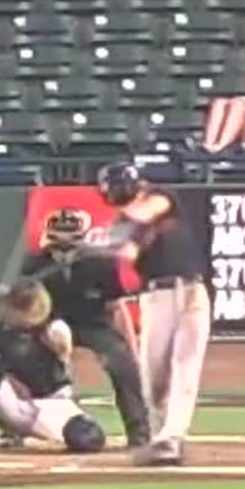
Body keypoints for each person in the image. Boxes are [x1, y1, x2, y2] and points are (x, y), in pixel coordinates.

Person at [87, 162, 209, 468]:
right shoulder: (124, 223)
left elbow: (145, 212)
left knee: (184, 366)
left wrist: (104, 236)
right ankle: (161, 435)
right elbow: (128, 253)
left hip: (191, 291)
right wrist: (94, 248)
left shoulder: (160, 195)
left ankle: (172, 438)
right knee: (153, 375)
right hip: (156, 296)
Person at [16, 209, 151, 447]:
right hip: (50, 324)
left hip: (94, 323)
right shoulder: (34, 264)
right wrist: (42, 334)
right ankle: (17, 427)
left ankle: (139, 430)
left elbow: (116, 306)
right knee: (20, 356)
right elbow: (25, 311)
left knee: (121, 362)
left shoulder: (100, 263)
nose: (64, 251)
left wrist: (131, 347)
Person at [0, 279, 108, 455]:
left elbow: (63, 359)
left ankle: (14, 432)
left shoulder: (54, 329)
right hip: (17, 404)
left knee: (86, 437)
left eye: (12, 306)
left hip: (51, 402)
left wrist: (56, 344)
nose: (5, 311)